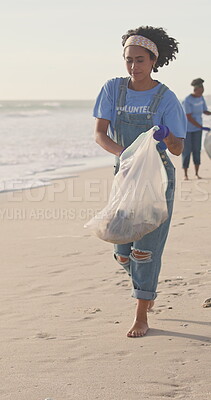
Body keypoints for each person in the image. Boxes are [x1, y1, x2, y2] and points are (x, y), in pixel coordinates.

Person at [93, 26, 187, 338]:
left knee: (145, 251)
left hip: (155, 181)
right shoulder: (113, 89)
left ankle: (142, 314)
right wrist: (127, 154)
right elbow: (99, 134)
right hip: (125, 176)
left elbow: (177, 149)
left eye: (140, 60)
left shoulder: (167, 98)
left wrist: (166, 134)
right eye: (129, 60)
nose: (134, 66)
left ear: (153, 60)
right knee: (122, 250)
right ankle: (146, 290)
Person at [182, 78, 211, 180]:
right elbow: (188, 117)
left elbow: (204, 110)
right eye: (200, 91)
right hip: (188, 130)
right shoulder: (187, 100)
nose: (201, 93)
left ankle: (196, 173)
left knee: (197, 151)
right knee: (186, 151)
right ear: (196, 89)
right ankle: (185, 174)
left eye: (203, 92)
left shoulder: (201, 98)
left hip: (197, 131)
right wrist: (201, 126)